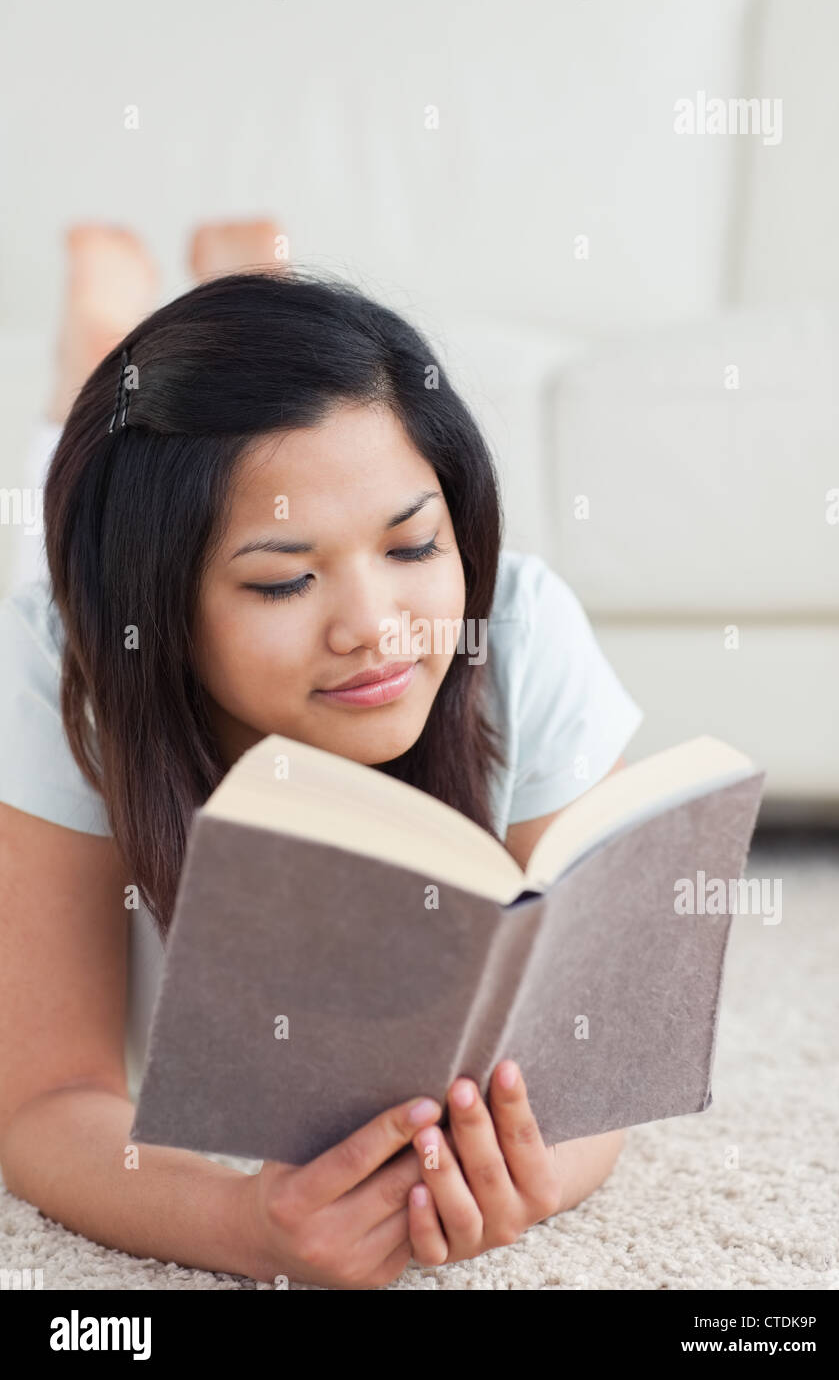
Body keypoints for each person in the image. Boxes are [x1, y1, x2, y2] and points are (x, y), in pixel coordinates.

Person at [0, 223, 643, 1289]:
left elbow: (595, 1072)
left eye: (412, 546)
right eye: (282, 582)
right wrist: (236, 1221)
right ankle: (104, 325)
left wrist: (513, 1175)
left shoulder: (517, 627)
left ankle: (250, 290)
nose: (375, 628)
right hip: (94, 563)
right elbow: (42, 1102)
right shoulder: (54, 661)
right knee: (58, 472)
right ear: (158, 611)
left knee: (289, 438)